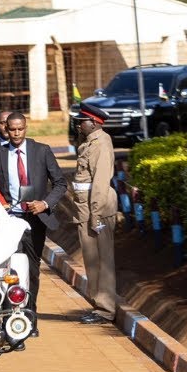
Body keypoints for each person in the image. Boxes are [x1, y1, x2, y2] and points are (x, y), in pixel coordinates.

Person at [0, 113, 68, 332]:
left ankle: (29, 317)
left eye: (20, 129)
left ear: (26, 128)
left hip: (35, 220)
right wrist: (0, 205)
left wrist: (45, 204)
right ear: (5, 130)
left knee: (31, 270)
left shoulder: (42, 151)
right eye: (12, 129)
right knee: (9, 271)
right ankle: (9, 321)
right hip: (9, 221)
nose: (16, 133)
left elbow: (60, 183)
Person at [70, 102, 118, 324]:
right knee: (92, 260)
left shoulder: (100, 144)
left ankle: (106, 309)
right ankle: (98, 306)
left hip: (95, 209)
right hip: (86, 208)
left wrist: (96, 215)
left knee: (103, 260)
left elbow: (99, 182)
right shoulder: (90, 142)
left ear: (95, 123)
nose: (79, 125)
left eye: (82, 122)